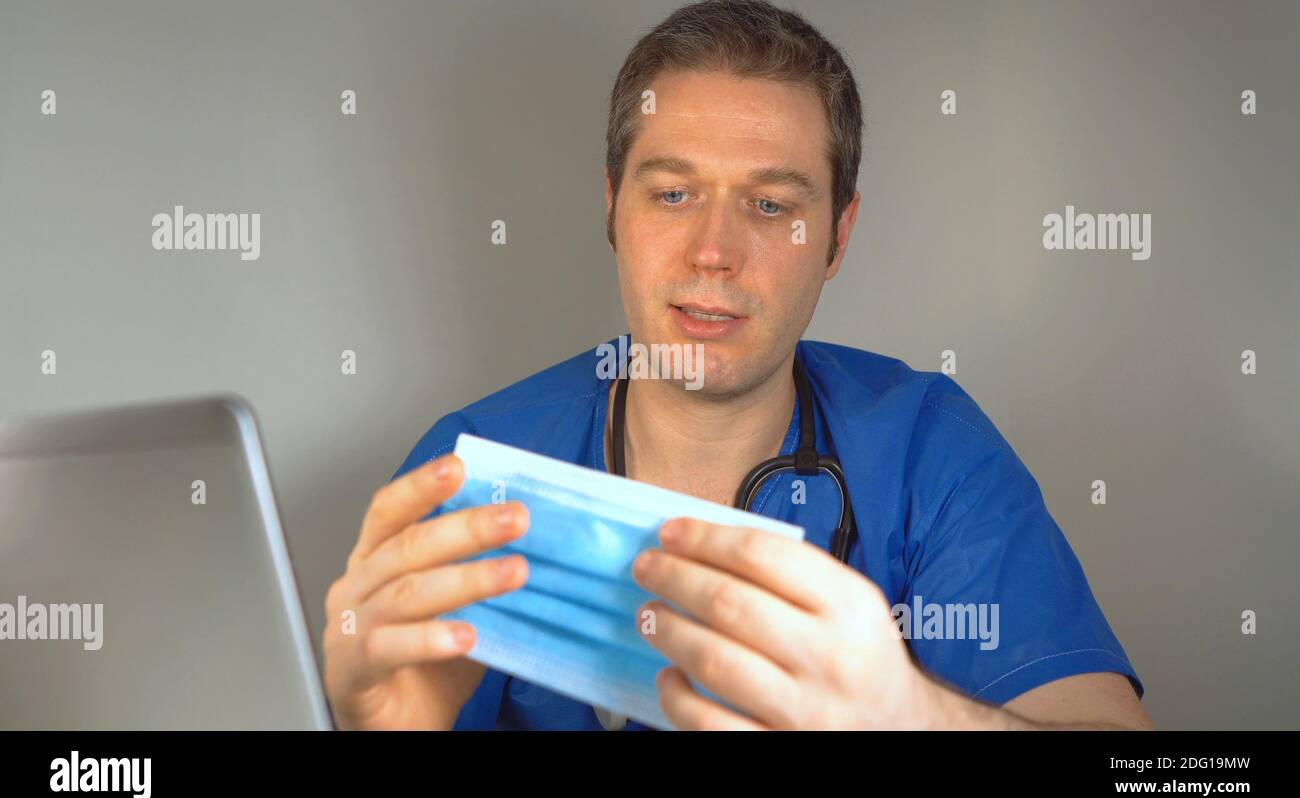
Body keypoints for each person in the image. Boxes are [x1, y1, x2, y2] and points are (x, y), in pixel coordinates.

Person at [322, 0, 1152, 730]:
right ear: (613, 204)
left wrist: (912, 718)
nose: (714, 252)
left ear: (838, 234)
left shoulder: (930, 449)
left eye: (770, 205)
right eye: (673, 192)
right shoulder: (472, 467)